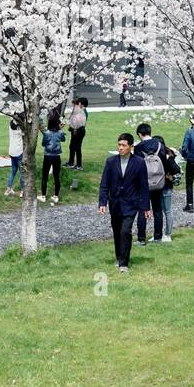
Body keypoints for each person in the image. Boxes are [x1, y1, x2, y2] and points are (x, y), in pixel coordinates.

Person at [97, 133, 152, 272]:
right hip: (115, 203)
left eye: (124, 145)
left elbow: (143, 186)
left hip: (131, 203)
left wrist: (146, 207)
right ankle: (119, 257)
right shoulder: (111, 162)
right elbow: (104, 184)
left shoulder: (139, 162)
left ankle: (124, 263)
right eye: (119, 145)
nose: (120, 148)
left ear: (131, 146)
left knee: (125, 231)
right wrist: (102, 202)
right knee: (116, 231)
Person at [134, 123, 176, 244]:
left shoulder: (139, 147)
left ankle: (141, 239)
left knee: (142, 210)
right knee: (157, 209)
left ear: (140, 134)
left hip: (144, 183)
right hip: (158, 181)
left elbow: (137, 166)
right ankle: (157, 236)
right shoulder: (159, 145)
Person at [37, 113, 66, 205]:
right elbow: (63, 139)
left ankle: (43, 196)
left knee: (44, 176)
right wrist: (60, 130)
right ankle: (56, 196)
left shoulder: (47, 133)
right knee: (56, 176)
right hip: (57, 156)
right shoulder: (60, 132)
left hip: (48, 156)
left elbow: (43, 144)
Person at [66, 98, 88, 170]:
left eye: (78, 103)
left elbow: (78, 121)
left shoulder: (82, 111)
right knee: (73, 147)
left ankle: (78, 165)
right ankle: (71, 162)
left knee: (76, 148)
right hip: (77, 131)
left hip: (78, 131)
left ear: (81, 104)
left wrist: (75, 128)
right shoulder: (81, 111)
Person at [6, 118, 25, 197]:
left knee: (13, 170)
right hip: (19, 152)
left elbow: (12, 121)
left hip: (11, 151)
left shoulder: (10, 127)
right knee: (21, 172)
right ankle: (22, 191)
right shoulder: (21, 131)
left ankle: (8, 189)